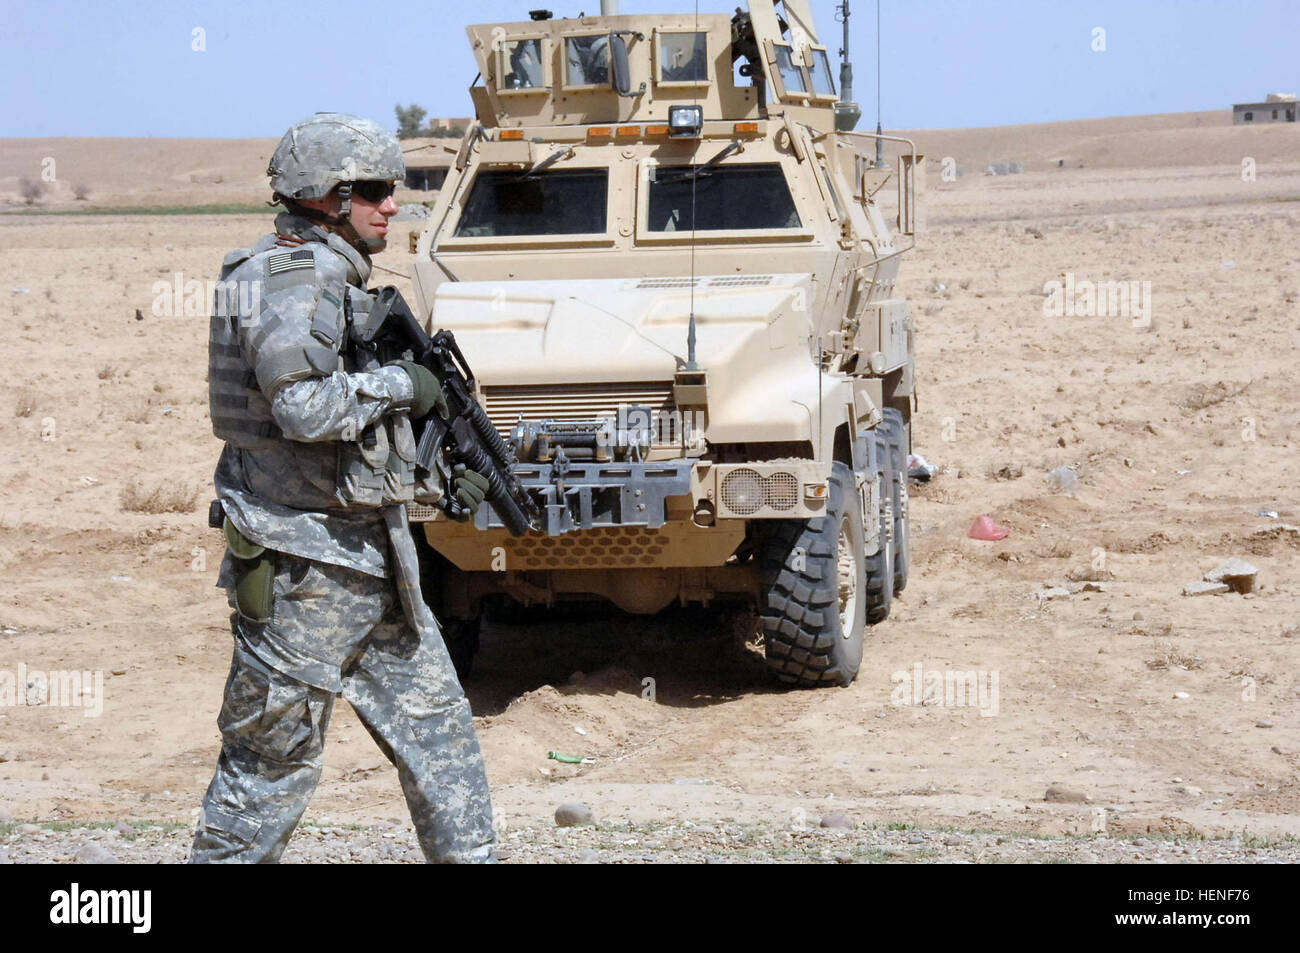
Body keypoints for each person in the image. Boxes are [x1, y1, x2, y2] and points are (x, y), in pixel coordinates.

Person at [191, 112, 495, 864]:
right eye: (375, 191)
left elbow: (350, 440)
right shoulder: (290, 278)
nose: (393, 204)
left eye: (393, 189)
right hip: (303, 574)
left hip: (373, 561)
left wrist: (430, 467)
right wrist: (403, 385)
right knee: (271, 768)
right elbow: (301, 408)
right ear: (326, 198)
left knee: (443, 745)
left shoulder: (335, 276)